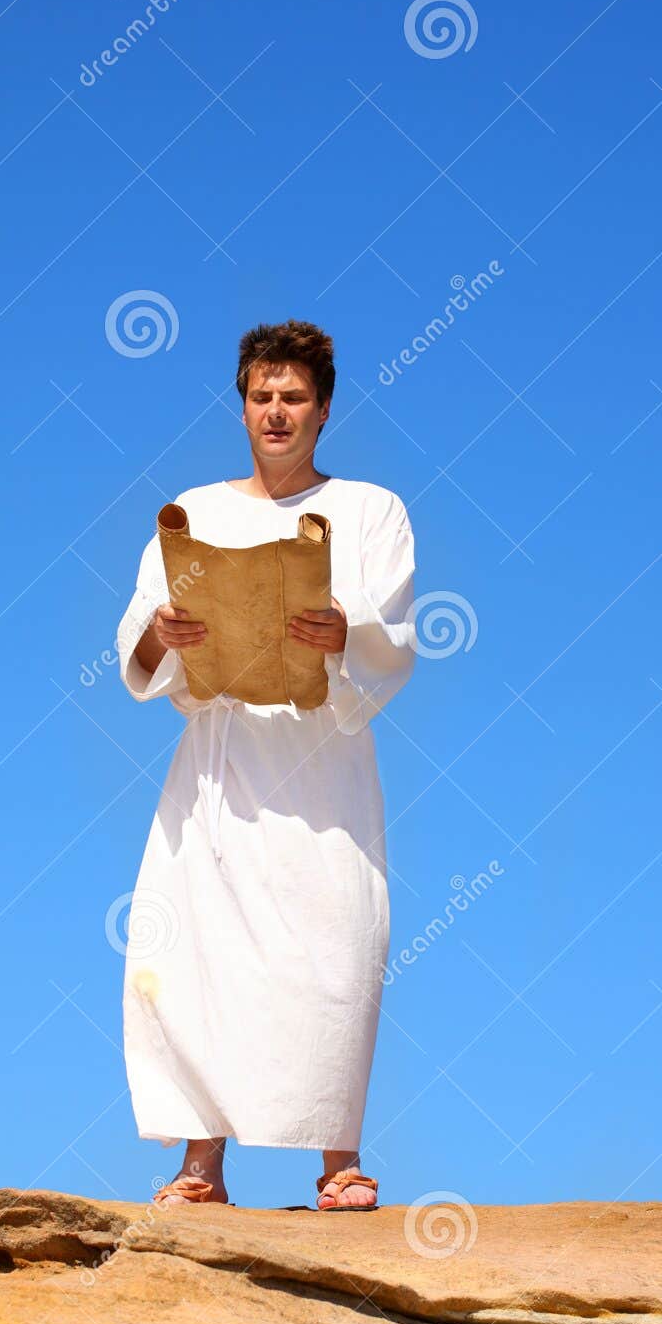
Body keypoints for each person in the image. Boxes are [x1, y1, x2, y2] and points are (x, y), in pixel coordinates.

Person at [115, 319, 416, 1210]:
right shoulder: (194, 509)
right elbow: (134, 643)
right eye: (260, 397)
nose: (275, 412)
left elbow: (392, 635)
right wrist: (162, 633)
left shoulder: (369, 509)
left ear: (323, 408)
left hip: (322, 762)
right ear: (241, 406)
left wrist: (343, 631)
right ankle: (201, 1168)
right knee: (197, 947)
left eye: (292, 397)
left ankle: (338, 1164)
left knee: (334, 947)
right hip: (217, 763)